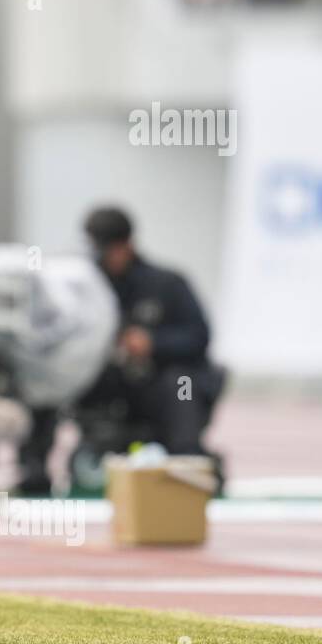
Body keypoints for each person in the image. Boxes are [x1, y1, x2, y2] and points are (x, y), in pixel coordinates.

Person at [80, 206, 226, 488]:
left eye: (107, 251)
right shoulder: (89, 289)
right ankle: (37, 469)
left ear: (125, 247)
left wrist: (152, 343)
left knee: (182, 383)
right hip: (115, 386)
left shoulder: (167, 284)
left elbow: (199, 337)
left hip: (165, 385)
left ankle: (188, 459)